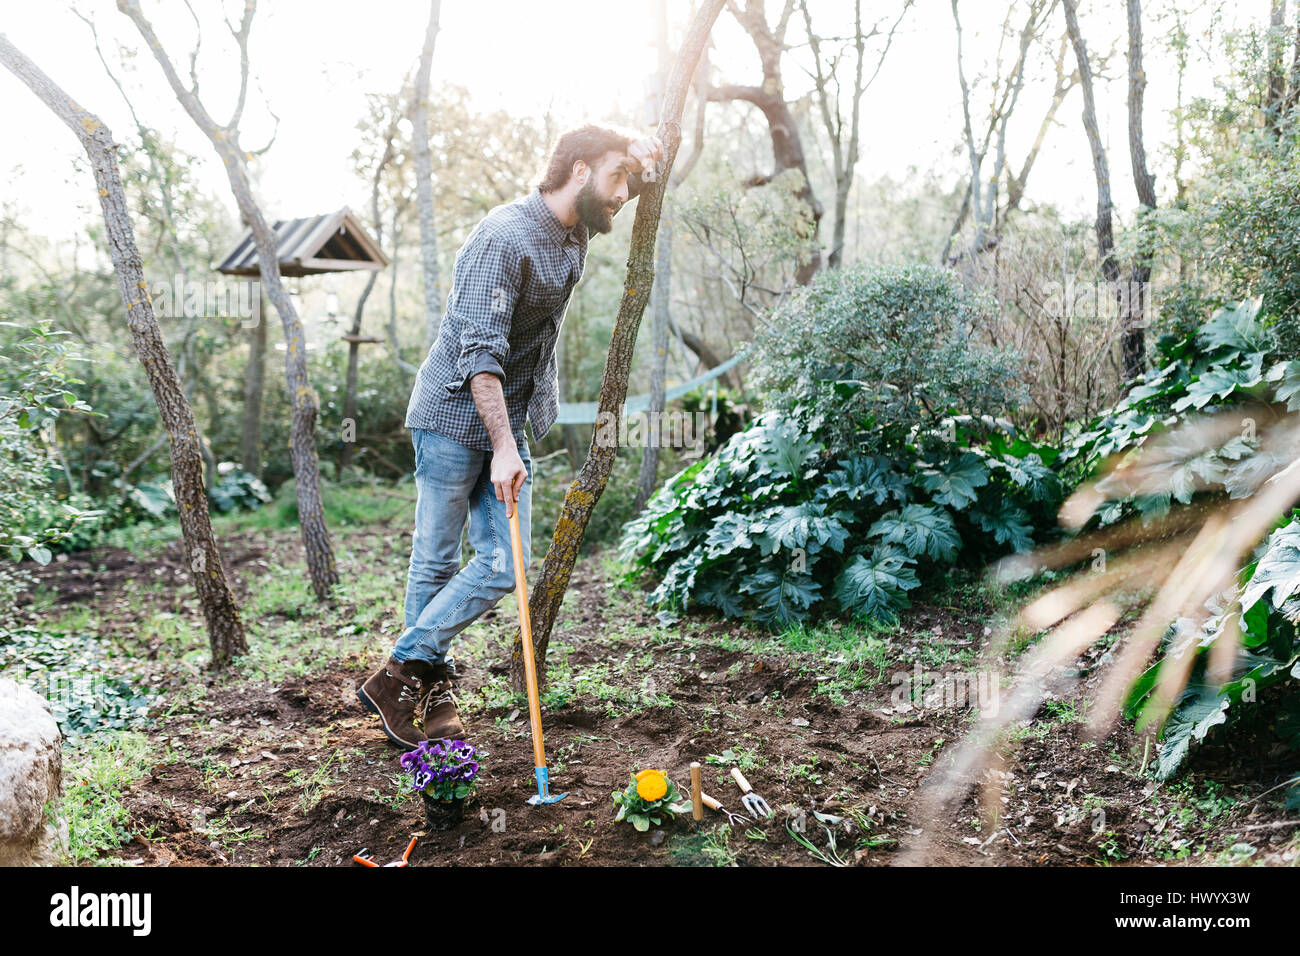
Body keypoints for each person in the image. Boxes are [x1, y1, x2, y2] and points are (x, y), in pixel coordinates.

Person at [357, 124, 664, 748]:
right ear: (578, 170)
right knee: (438, 560)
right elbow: (480, 352)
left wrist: (644, 149)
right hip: (452, 417)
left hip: (507, 416)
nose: (622, 195)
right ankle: (424, 690)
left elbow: (623, 180)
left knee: (502, 565)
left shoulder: (577, 226)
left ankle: (398, 672)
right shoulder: (503, 238)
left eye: (627, 183)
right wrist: (503, 446)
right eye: (614, 180)